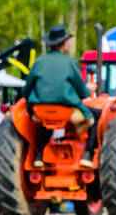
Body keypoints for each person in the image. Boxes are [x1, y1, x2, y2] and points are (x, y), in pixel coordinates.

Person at [23, 26, 98, 169]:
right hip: (65, 111)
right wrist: (90, 88)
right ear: (64, 43)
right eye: (67, 41)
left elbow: (26, 90)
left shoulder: (38, 62)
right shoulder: (70, 62)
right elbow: (82, 93)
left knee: (48, 122)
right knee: (98, 117)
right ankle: (87, 155)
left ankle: (39, 155)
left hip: (39, 111)